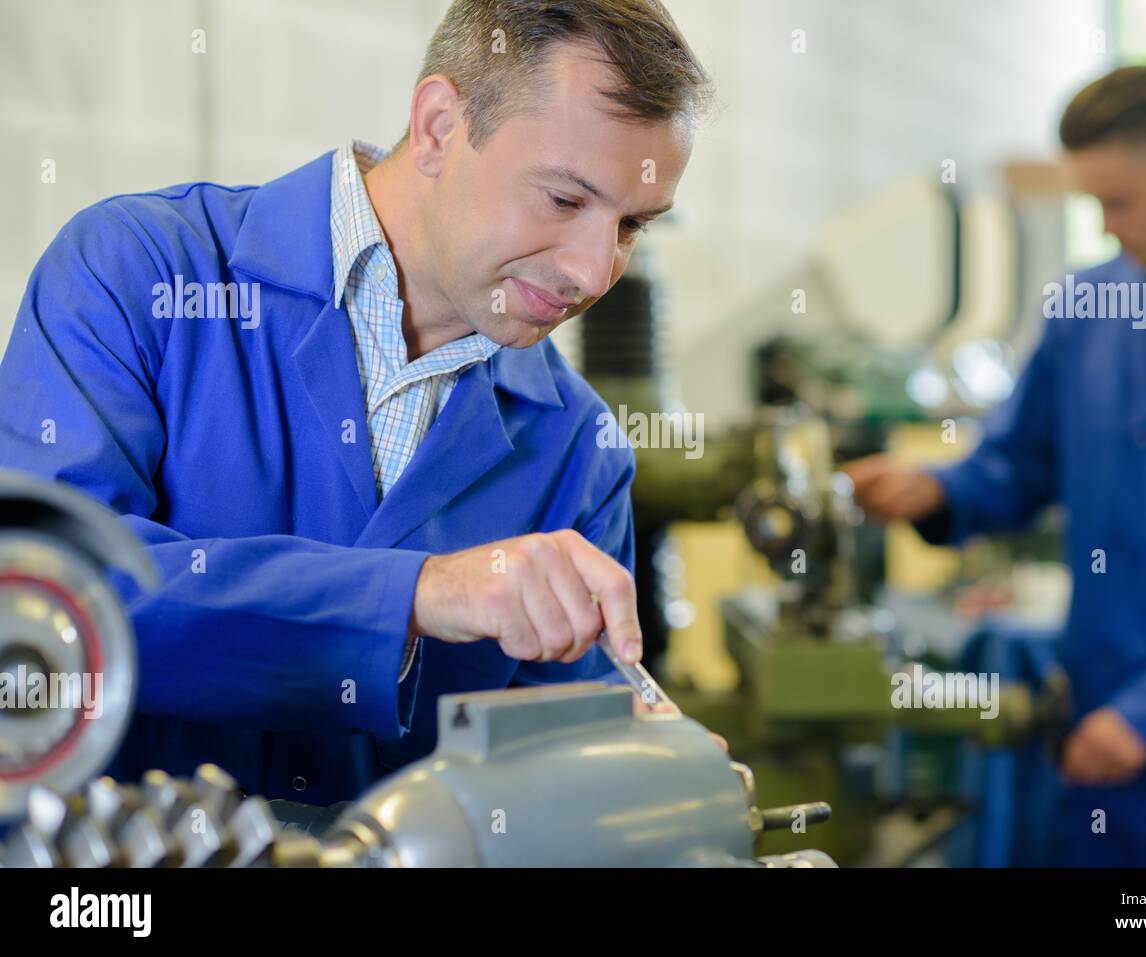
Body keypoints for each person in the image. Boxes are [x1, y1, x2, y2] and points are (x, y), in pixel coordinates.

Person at [0, 0, 721, 804]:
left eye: (631, 227)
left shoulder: (577, 447)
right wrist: (420, 595)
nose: (592, 271)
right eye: (563, 200)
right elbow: (42, 595)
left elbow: (558, 768)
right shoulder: (139, 274)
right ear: (441, 125)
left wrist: (647, 771)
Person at [843, 66, 1146, 866]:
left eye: (1118, 203)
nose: (1106, 226)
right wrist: (934, 488)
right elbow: (1017, 464)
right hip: (1085, 725)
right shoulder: (1088, 307)